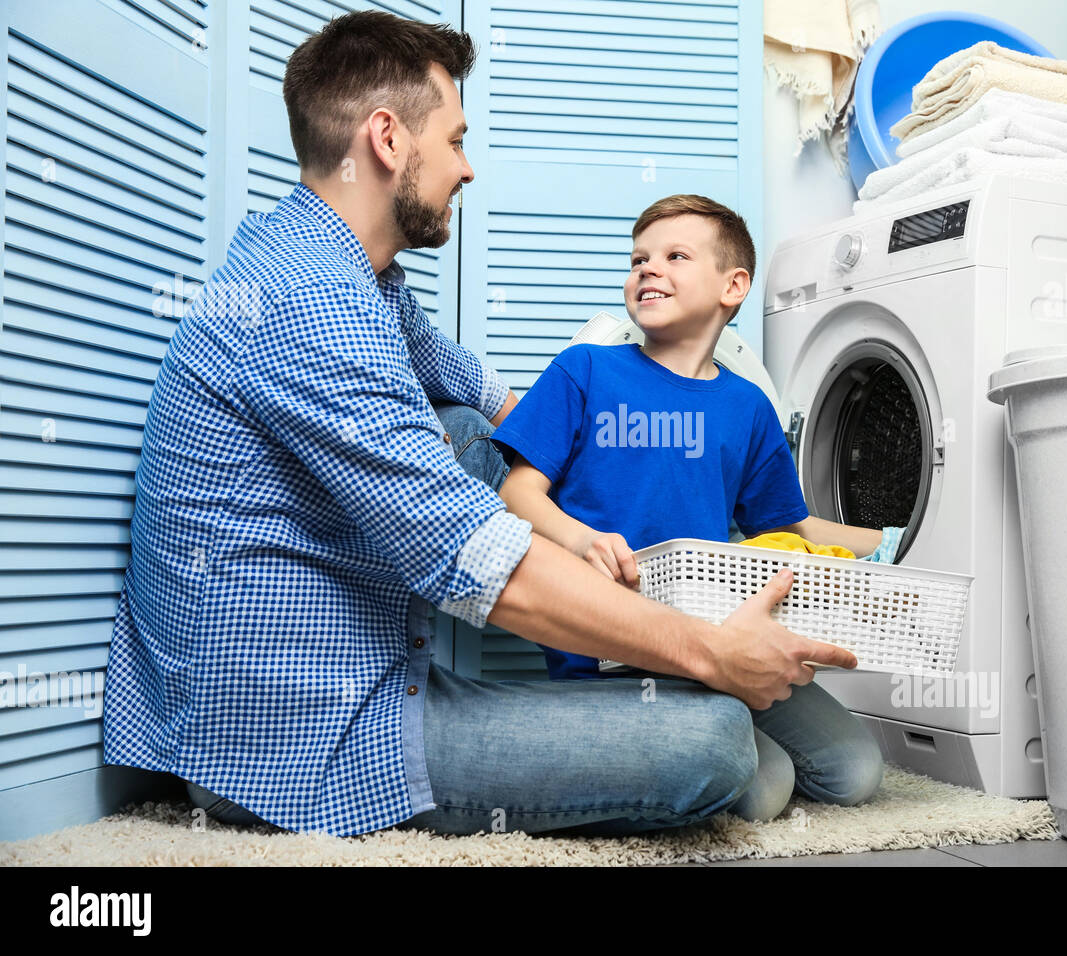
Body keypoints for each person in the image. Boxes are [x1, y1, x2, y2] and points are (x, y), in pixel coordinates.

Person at [100, 10, 857, 839]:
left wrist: (570, 485)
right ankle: (637, 673)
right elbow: (478, 564)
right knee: (715, 742)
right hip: (303, 735)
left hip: (372, 671)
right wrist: (708, 650)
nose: (466, 168)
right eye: (454, 139)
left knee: (463, 423)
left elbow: (466, 382)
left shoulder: (341, 268)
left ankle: (611, 669)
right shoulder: (313, 304)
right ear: (388, 140)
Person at [490, 194, 886, 821]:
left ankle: (709, 728)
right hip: (613, 649)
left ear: (734, 286)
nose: (648, 269)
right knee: (766, 786)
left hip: (720, 635)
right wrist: (580, 540)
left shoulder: (749, 407)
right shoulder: (584, 371)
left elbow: (791, 530)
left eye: (676, 256)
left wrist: (892, 542)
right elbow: (516, 492)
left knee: (854, 772)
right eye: (639, 258)